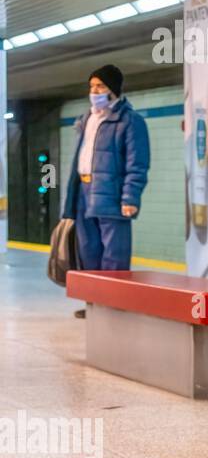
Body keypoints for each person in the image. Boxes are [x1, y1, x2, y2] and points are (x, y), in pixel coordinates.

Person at [63, 65, 151, 316]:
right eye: (92, 87)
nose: (95, 91)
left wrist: (130, 197)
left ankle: (114, 305)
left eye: (100, 86)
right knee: (88, 251)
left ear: (114, 89)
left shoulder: (130, 121)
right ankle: (94, 305)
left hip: (111, 193)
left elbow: (138, 163)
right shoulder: (86, 119)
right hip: (83, 190)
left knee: (114, 254)